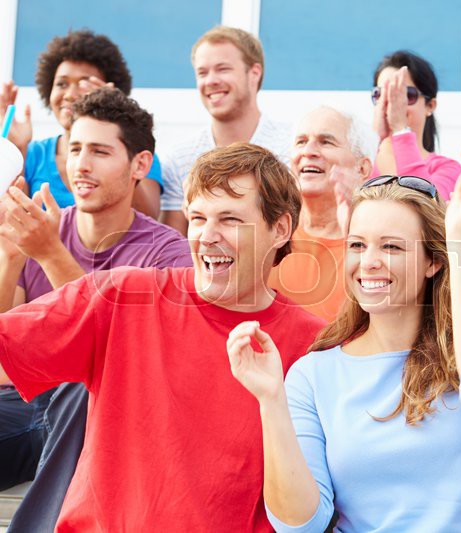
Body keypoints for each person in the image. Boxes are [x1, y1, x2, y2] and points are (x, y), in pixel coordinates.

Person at [0, 142, 324, 531]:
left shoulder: (315, 346)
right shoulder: (119, 297)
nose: (207, 236)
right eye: (199, 217)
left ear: (281, 228)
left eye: (231, 220)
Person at [227, 157, 461, 531]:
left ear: (433, 261)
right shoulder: (313, 374)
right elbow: (300, 525)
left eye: (392, 247)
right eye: (357, 245)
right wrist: (270, 401)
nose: (368, 262)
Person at [0, 87, 192, 531]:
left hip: (104, 418)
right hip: (23, 405)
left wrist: (50, 254)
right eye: (75, 148)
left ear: (140, 166)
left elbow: (122, 366)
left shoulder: (169, 255)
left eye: (100, 151)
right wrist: (10, 260)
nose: (81, 164)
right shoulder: (35, 231)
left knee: (77, 394)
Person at [0, 29, 163, 218]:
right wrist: (18, 148)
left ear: (109, 91)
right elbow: (14, 222)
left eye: (84, 84)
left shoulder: (136, 155)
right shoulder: (33, 153)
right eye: (62, 84)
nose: (70, 94)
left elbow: (148, 218)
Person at [159, 26, 289, 235]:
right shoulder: (180, 158)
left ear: (254, 73)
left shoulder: (291, 149)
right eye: (202, 72)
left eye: (223, 69)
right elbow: (175, 249)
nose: (210, 81)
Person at [269, 105, 376, 321]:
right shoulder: (268, 233)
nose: (308, 151)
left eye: (326, 142)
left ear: (362, 169)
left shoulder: (379, 248)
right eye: (301, 142)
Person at [370, 50, 461, 201]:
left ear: (430, 105)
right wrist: (374, 139)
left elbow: (425, 205)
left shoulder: (447, 169)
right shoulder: (361, 159)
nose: (393, 103)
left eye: (407, 95)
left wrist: (401, 129)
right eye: (381, 94)